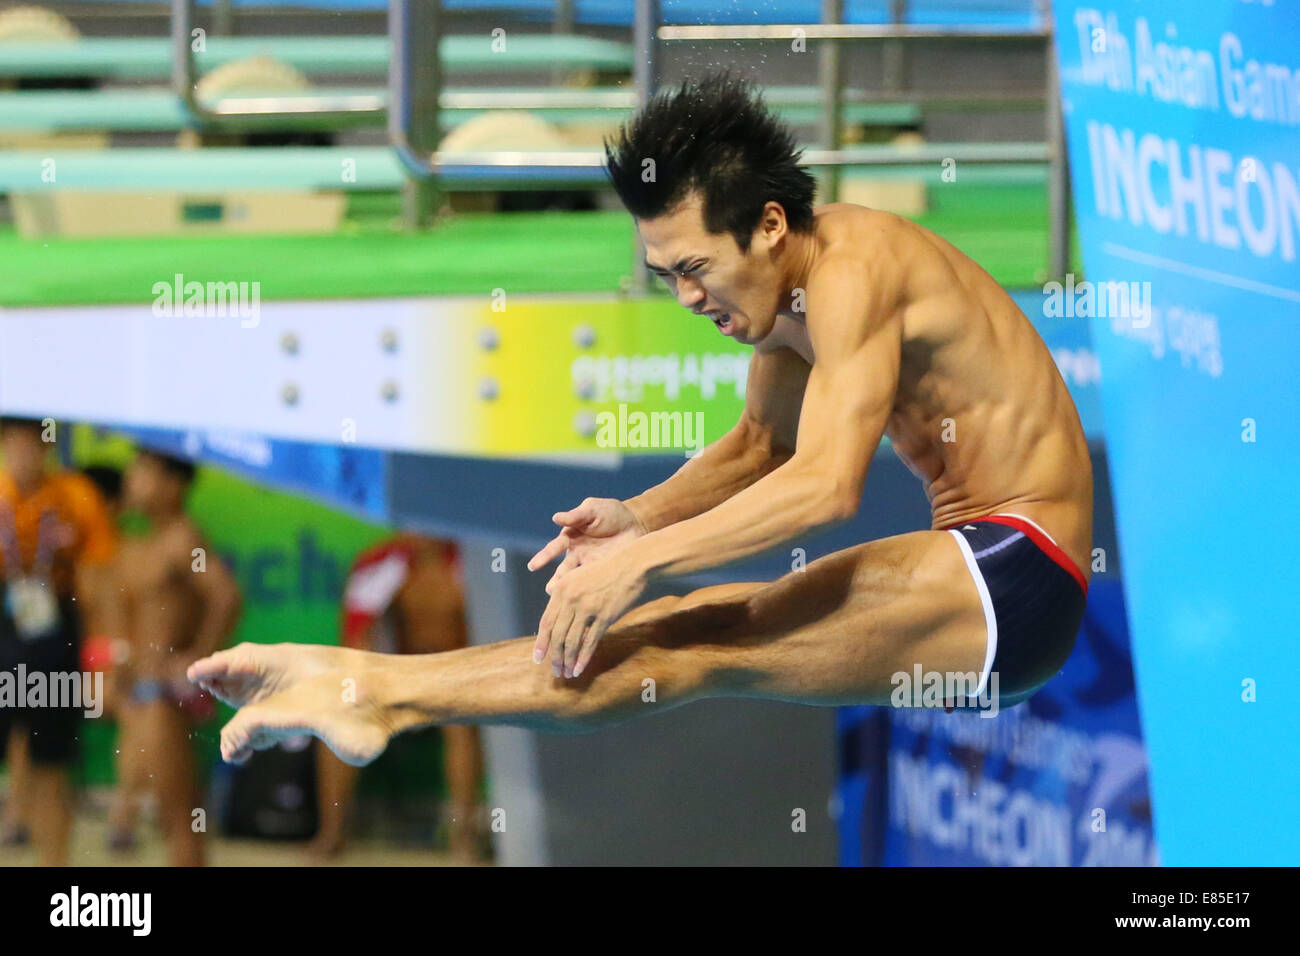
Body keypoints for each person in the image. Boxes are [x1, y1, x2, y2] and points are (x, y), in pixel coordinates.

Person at [188, 71, 1093, 770]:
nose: (687, 296)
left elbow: (825, 483)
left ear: (771, 224)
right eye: (665, 274)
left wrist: (641, 561)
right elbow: (759, 448)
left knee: (694, 637)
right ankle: (365, 686)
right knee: (685, 633)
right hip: (981, 568)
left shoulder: (857, 272)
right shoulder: (788, 300)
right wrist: (641, 518)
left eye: (697, 267)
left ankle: (382, 695)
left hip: (1022, 569)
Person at [311, 534, 486, 862]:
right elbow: (356, 638)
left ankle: (464, 838)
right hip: (398, 675)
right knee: (337, 717)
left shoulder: (476, 566)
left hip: (460, 676)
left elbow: (493, 632)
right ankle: (332, 832)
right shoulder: (380, 564)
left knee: (461, 724)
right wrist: (361, 687)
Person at [0, 416, 118, 865]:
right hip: (4, 624)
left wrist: (102, 661)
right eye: (13, 442)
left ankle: (55, 867)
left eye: (33, 442)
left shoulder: (75, 497)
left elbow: (100, 583)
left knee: (51, 759)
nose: (23, 452)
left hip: (56, 634)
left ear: (48, 445)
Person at [114, 450, 241, 866]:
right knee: (169, 816)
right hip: (142, 692)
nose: (132, 479)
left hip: (166, 695)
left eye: (143, 470)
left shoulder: (182, 537)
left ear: (174, 485)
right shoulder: (143, 540)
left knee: (181, 814)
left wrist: (196, 658)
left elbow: (226, 596)